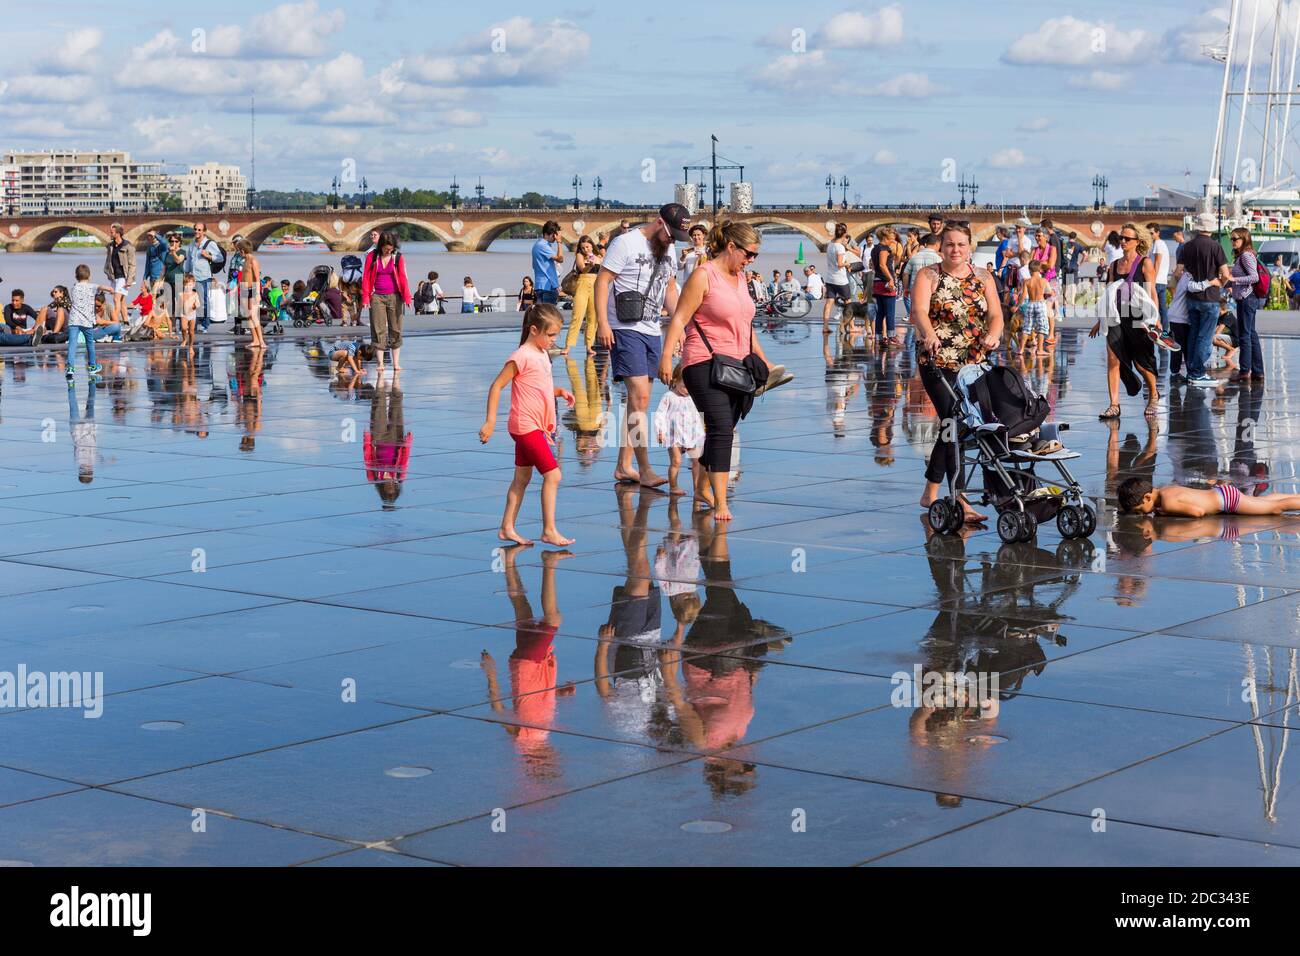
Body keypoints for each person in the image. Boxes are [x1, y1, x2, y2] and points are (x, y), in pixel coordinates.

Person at [659, 221, 777, 521]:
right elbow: (679, 318)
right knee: (722, 428)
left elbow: (746, 325)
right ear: (731, 247)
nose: (751, 260)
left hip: (738, 365)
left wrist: (764, 360)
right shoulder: (703, 275)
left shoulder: (742, 278)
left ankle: (700, 488)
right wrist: (665, 358)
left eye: (755, 256)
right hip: (703, 362)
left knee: (721, 431)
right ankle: (721, 502)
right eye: (749, 254)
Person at [911, 222, 1004, 524]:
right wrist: (927, 334)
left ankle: (930, 490)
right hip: (937, 360)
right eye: (949, 244)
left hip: (973, 361)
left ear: (970, 247)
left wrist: (994, 334)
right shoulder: (929, 275)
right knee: (954, 418)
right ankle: (959, 497)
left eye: (961, 244)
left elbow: (996, 314)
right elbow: (919, 312)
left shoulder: (983, 277)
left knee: (957, 424)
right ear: (941, 246)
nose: (955, 249)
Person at [596, 202, 691, 488]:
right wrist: (602, 323)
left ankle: (624, 466)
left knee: (639, 402)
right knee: (639, 398)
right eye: (671, 234)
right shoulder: (625, 243)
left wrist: (679, 324)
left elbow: (670, 288)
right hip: (625, 328)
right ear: (660, 222)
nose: (673, 240)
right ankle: (645, 468)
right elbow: (602, 282)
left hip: (652, 329)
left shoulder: (670, 249)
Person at [478, 304, 576, 546]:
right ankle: (549, 529)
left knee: (522, 478)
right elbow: (497, 386)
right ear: (534, 330)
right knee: (553, 475)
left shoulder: (542, 354)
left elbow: (537, 387)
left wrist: (559, 391)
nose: (554, 340)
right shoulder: (521, 355)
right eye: (551, 335)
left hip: (532, 425)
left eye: (556, 335)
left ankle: (507, 527)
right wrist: (490, 422)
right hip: (525, 426)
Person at [1090, 222, 1161, 419]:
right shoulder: (1115, 265)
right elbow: (1109, 294)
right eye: (1121, 238)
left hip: (1139, 317)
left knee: (1141, 362)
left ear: (1137, 241)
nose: (1122, 241)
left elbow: (1151, 292)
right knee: (1113, 359)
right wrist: (1100, 320)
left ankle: (1153, 394)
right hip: (1116, 317)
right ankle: (1114, 405)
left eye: (1127, 239)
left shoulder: (1145, 263)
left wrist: (1156, 319)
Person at [1176, 212, 1229, 387]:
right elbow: (1226, 274)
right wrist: (1219, 283)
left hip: (1192, 298)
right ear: (1211, 228)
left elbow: (1178, 272)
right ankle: (1198, 373)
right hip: (1210, 298)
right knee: (1205, 337)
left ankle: (1192, 371)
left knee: (1193, 334)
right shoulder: (1216, 247)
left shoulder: (1187, 247)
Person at [1118, 476, 1300, 517]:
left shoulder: (1168, 502)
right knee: (1267, 500)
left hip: (1229, 501)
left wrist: (1167, 512)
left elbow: (1197, 512)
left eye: (1141, 510)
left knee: (1275, 508)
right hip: (1222, 493)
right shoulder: (1166, 489)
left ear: (1148, 497)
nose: (1144, 514)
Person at [360, 231, 411, 373]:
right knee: (378, 329)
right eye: (387, 248)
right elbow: (366, 277)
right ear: (381, 245)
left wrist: (407, 297)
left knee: (395, 329)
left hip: (395, 296)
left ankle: (396, 363)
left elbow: (403, 278)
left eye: (392, 248)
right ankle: (380, 363)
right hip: (376, 297)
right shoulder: (372, 256)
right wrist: (365, 298)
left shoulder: (398, 257)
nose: (389, 251)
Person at [654, 366, 706, 498]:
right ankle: (673, 486)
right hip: (674, 435)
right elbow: (659, 414)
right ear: (675, 380)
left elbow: (702, 412)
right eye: (684, 386)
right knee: (676, 461)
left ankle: (697, 489)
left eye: (691, 386)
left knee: (697, 462)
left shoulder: (694, 395)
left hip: (693, 434)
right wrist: (660, 431)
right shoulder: (669, 396)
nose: (687, 390)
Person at [1226, 227, 1264, 384]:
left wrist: (1235, 280)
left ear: (1244, 239)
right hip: (1246, 298)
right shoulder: (1242, 255)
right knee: (1251, 334)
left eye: (1236, 239)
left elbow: (1254, 277)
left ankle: (1244, 371)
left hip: (1247, 298)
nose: (1233, 242)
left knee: (1245, 335)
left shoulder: (1247, 255)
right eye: (1232, 239)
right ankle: (1258, 371)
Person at [67, 264, 110, 383]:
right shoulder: (92, 286)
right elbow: (102, 286)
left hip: (74, 320)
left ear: (76, 276)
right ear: (89, 276)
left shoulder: (74, 288)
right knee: (89, 344)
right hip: (86, 321)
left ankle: (70, 367)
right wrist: (110, 289)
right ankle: (92, 366)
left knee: (72, 344)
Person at [563, 234, 601, 354]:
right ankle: (568, 346)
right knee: (577, 316)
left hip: (595, 285)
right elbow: (582, 269)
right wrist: (589, 265)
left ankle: (589, 346)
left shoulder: (599, 256)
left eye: (588, 247)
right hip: (582, 284)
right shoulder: (579, 255)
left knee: (593, 318)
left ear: (592, 246)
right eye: (583, 247)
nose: (586, 249)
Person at [185, 222, 222, 332]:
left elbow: (220, 258)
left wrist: (208, 256)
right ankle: (194, 324)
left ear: (204, 231)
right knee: (192, 301)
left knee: (204, 301)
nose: (197, 231)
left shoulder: (209, 244)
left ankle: (205, 324)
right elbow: (189, 261)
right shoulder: (191, 244)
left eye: (199, 230)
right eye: (195, 229)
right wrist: (186, 273)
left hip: (204, 276)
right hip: (193, 277)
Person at [871, 226, 899, 346]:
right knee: (890, 312)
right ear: (884, 237)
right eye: (891, 238)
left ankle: (878, 336)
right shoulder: (884, 248)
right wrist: (891, 279)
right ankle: (891, 336)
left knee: (880, 312)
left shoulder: (874, 248)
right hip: (885, 283)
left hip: (877, 282)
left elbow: (874, 265)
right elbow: (883, 265)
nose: (892, 240)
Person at [103, 222, 135, 329]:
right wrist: (107, 271)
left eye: (111, 232)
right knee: (122, 301)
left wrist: (129, 281)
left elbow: (132, 264)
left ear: (117, 233)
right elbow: (109, 261)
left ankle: (114, 323)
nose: (110, 234)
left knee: (116, 299)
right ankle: (126, 322)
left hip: (124, 277)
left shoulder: (127, 246)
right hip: (114, 276)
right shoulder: (110, 246)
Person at [235, 239, 266, 349]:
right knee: (247, 316)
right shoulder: (244, 262)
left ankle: (262, 340)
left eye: (239, 250)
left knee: (253, 315)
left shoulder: (253, 260)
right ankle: (255, 340)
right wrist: (236, 288)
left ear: (242, 250)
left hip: (252, 289)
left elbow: (257, 278)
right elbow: (242, 277)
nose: (238, 252)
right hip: (243, 289)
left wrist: (258, 293)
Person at [1018, 259, 1050, 355]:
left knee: (1027, 327)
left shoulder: (1027, 282)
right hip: (1040, 304)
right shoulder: (1043, 281)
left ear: (1029, 270)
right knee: (1041, 327)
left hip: (1030, 303)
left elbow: (1023, 295)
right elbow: (1049, 292)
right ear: (1039, 269)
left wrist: (1018, 305)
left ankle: (1021, 349)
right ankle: (1040, 350)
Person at [823, 222, 853, 330]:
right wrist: (847, 264)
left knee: (829, 303)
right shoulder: (840, 247)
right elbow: (840, 264)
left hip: (830, 279)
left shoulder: (830, 244)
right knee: (848, 303)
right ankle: (852, 326)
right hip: (840, 280)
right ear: (844, 233)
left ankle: (825, 327)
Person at [532, 220, 564, 305]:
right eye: (554, 235)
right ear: (547, 234)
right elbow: (560, 259)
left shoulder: (537, 245)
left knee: (542, 315)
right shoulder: (543, 246)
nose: (555, 237)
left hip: (541, 285)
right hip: (547, 287)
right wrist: (559, 242)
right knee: (548, 315)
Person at [1146, 222, 1171, 332]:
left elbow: (1157, 262)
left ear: (1157, 233)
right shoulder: (1161, 244)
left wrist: (1152, 280)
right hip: (1162, 281)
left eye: (1151, 233)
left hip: (1157, 281)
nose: (1150, 236)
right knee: (1162, 308)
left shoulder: (1158, 244)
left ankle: (1155, 329)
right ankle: (1164, 331)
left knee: (1152, 307)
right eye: (1148, 233)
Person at [179, 273, 199, 349]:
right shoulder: (181, 294)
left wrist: (194, 306)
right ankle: (184, 339)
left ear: (193, 285)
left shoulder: (195, 294)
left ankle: (191, 346)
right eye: (186, 285)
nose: (188, 287)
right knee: (184, 328)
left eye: (190, 285)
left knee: (191, 332)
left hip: (192, 315)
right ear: (183, 285)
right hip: (184, 314)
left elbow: (198, 304)